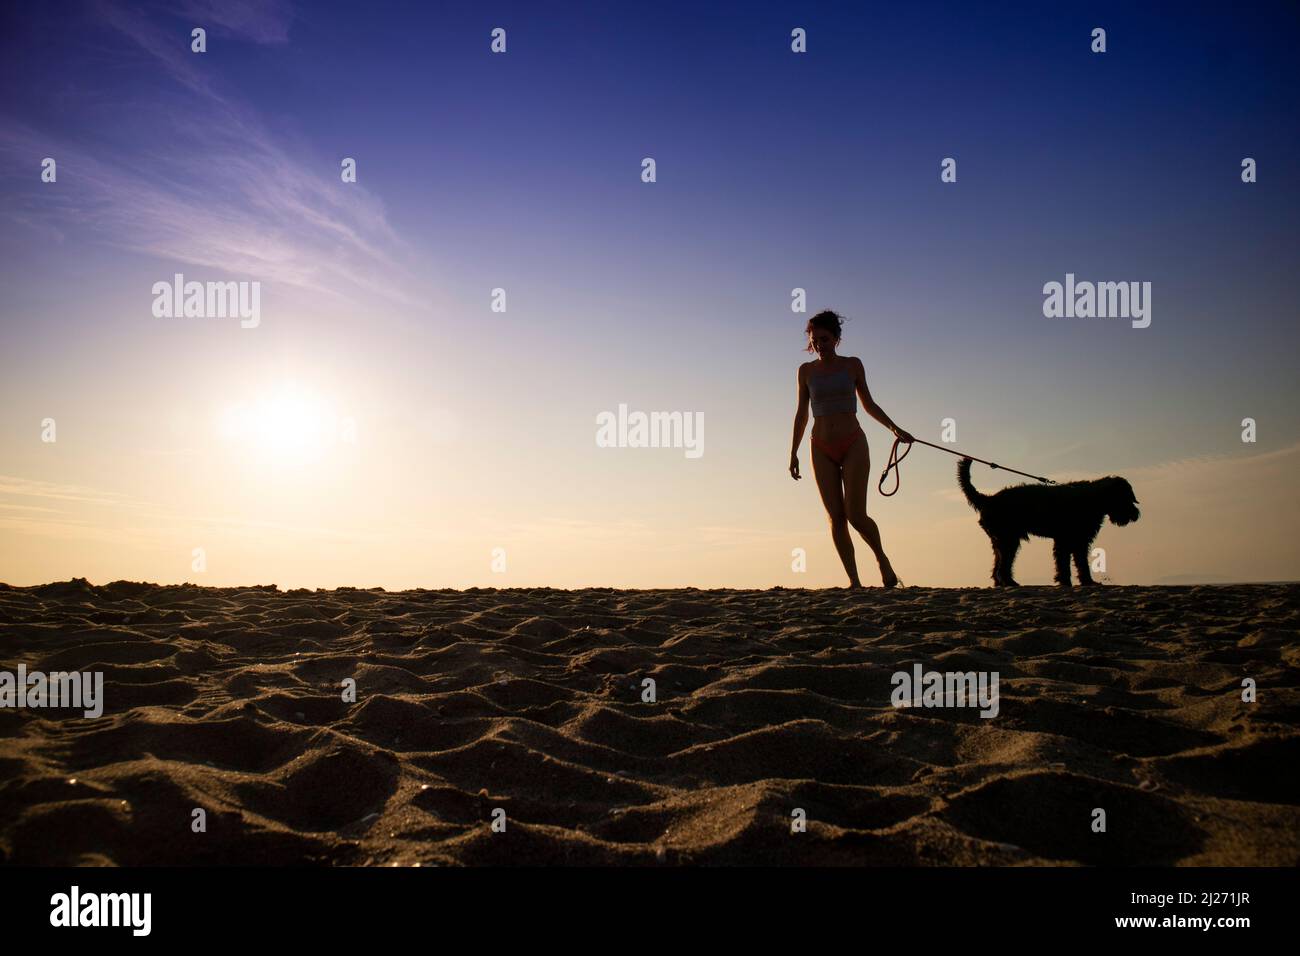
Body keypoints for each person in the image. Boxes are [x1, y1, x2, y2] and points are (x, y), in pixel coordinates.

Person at [789, 310, 912, 588]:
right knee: (836, 517)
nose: (819, 344)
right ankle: (854, 581)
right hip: (820, 446)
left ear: (836, 338)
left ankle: (882, 559)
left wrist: (894, 428)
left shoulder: (853, 365)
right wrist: (793, 452)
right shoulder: (805, 371)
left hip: (853, 442)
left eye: (825, 339)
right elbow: (801, 414)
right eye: (814, 339)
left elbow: (868, 404)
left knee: (856, 514)